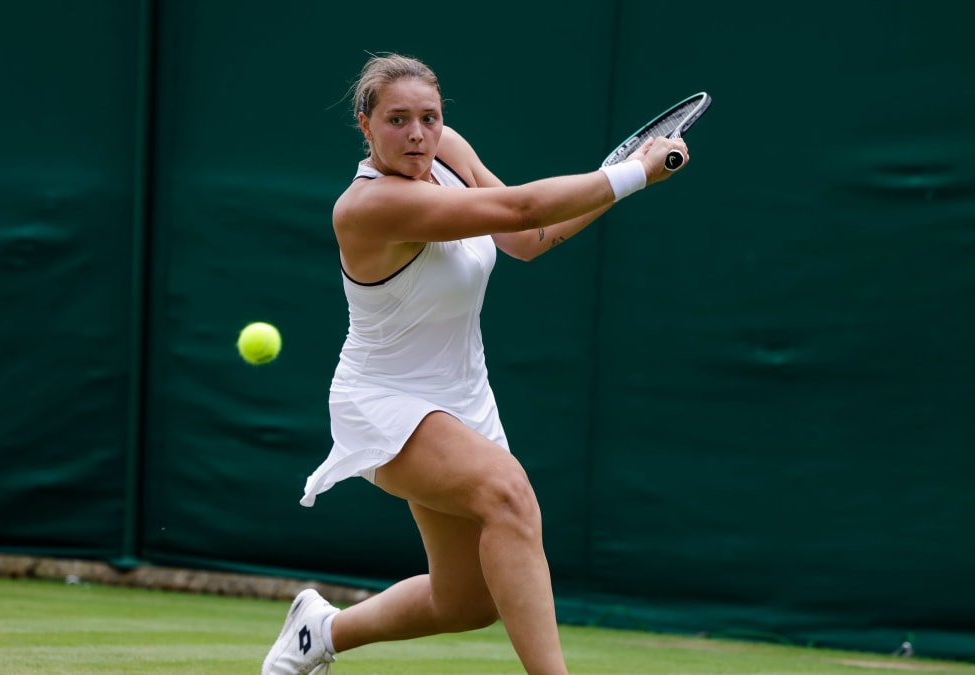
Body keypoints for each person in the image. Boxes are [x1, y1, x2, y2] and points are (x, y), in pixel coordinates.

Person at [261, 52, 690, 675]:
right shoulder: (368, 207)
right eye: (397, 120)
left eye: (428, 118)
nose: (416, 134)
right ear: (366, 126)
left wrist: (622, 181)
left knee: (464, 602)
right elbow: (519, 210)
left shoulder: (446, 151)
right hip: (384, 399)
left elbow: (526, 240)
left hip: (463, 401)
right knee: (509, 494)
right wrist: (633, 176)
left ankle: (319, 630)